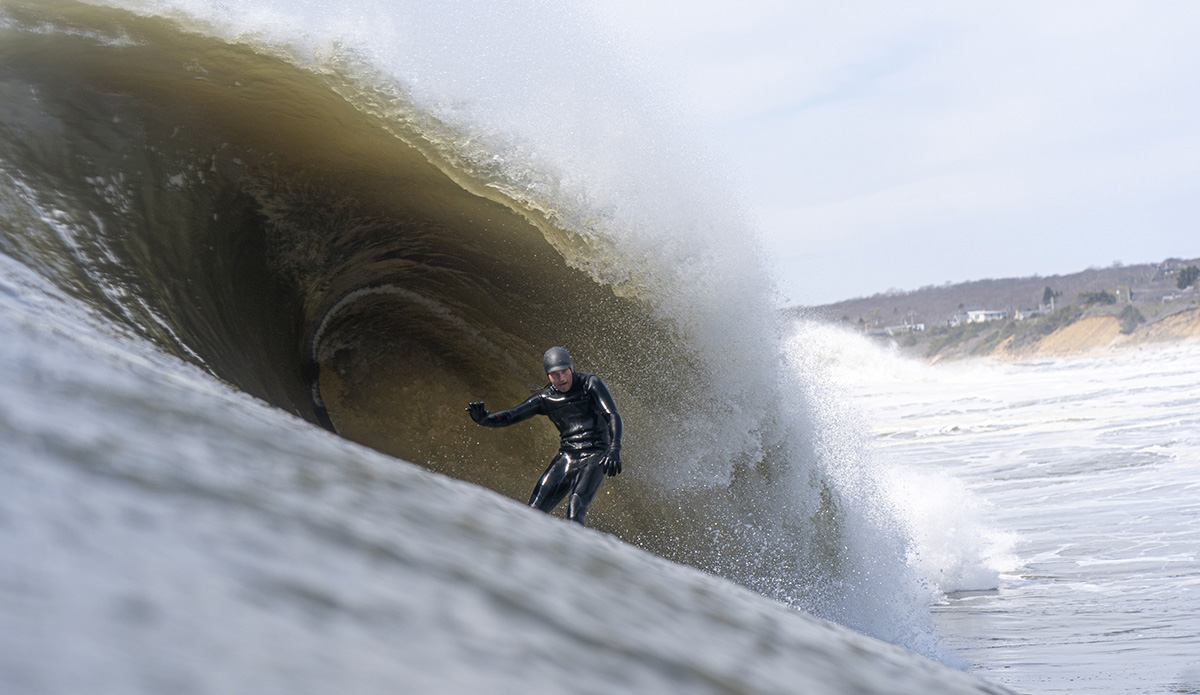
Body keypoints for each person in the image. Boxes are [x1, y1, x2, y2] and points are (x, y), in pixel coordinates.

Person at [467, 346, 623, 526]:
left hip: (597, 454)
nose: (562, 379)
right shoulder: (545, 399)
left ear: (571, 368)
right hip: (567, 455)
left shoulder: (590, 384)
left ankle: (573, 551)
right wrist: (486, 420)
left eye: (564, 372)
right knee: (533, 510)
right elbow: (512, 415)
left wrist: (614, 448)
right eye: (555, 374)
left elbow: (612, 415)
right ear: (548, 375)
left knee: (575, 507)